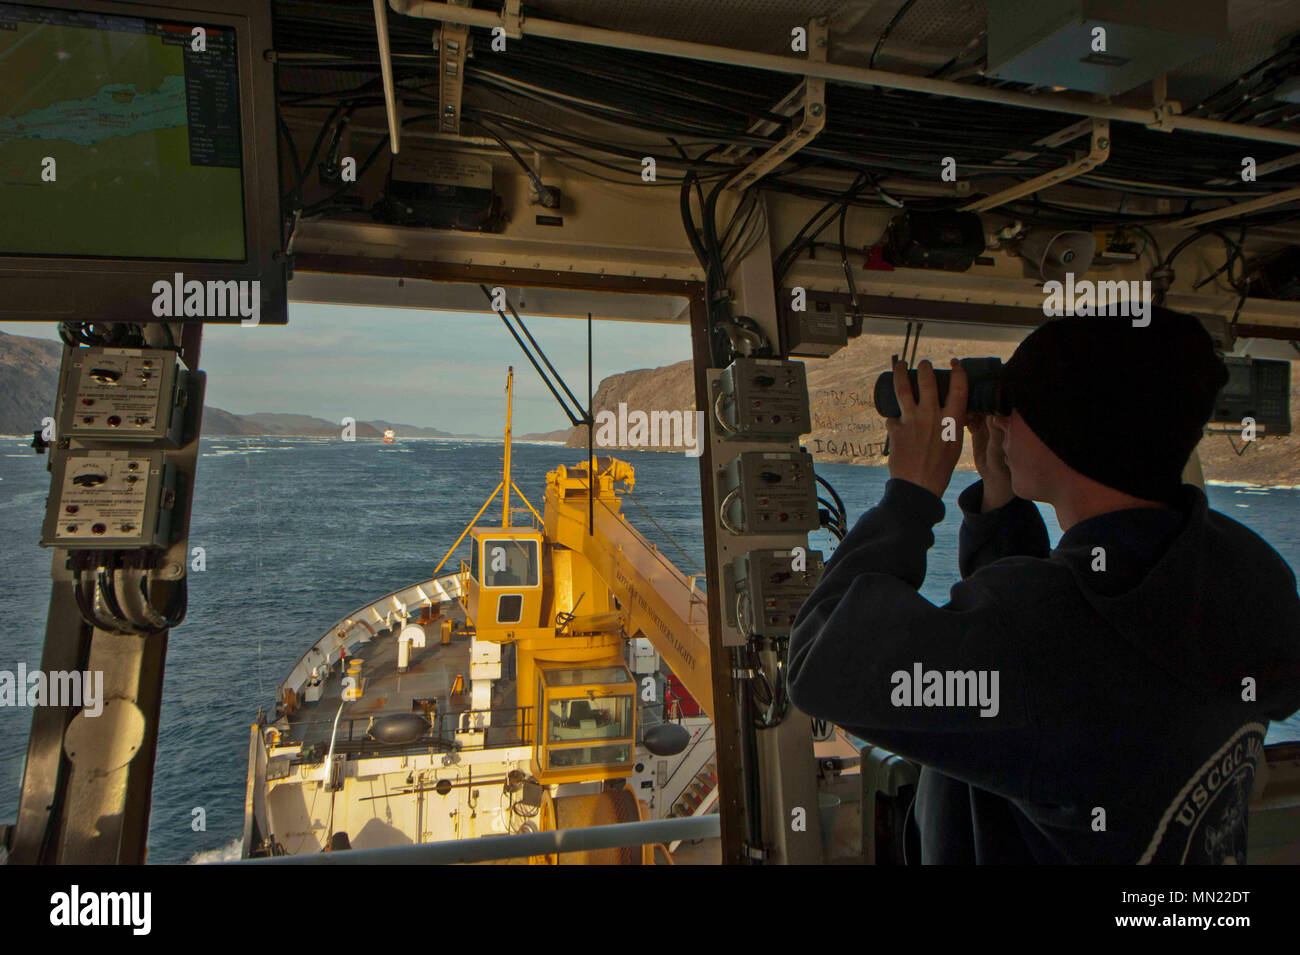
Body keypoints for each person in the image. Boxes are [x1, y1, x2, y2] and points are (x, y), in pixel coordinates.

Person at [787, 308, 1300, 863]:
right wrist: (1000, 503)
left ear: (1068, 429)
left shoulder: (1046, 629)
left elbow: (821, 663)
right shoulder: (1250, 571)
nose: (1001, 421)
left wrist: (911, 494)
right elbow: (1060, 661)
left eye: (1014, 406)